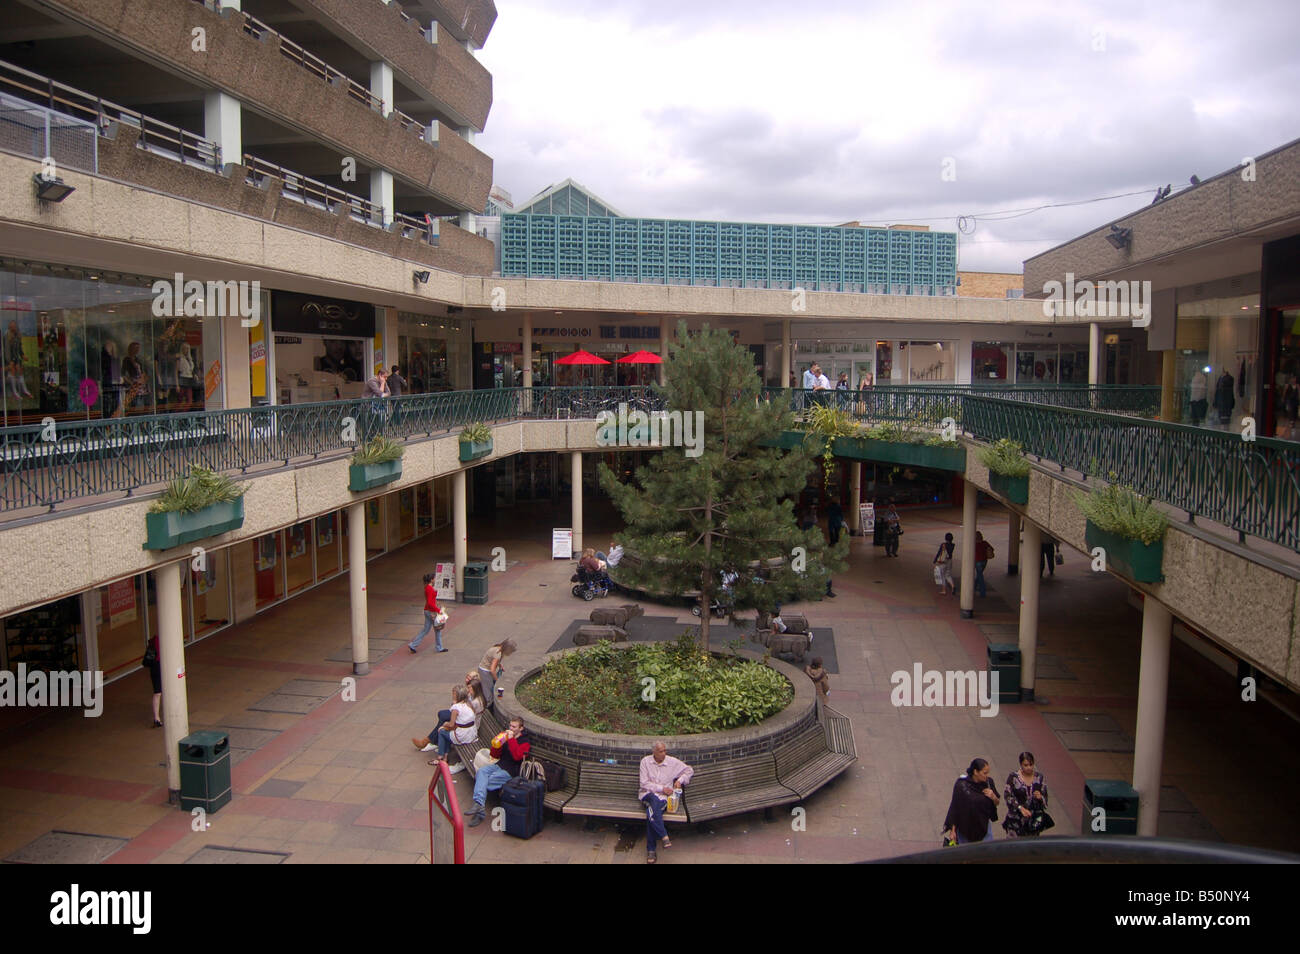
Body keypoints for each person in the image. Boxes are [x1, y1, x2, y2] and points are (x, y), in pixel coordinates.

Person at [464, 716, 531, 827]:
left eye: (514, 727)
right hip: (499, 765)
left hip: (510, 771)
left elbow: (517, 757)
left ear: (521, 728)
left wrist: (511, 740)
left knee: (485, 781)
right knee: (481, 772)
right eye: (510, 725)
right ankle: (479, 805)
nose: (511, 728)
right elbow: (494, 755)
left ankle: (479, 810)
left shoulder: (525, 742)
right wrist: (497, 744)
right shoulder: (506, 737)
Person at [639, 741, 693, 863]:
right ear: (654, 752)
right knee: (653, 800)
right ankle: (663, 835)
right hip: (647, 795)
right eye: (661, 751)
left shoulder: (672, 762)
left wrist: (680, 780)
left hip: (663, 799)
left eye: (665, 750)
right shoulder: (645, 762)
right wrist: (662, 788)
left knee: (651, 813)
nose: (664, 753)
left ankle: (652, 849)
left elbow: (689, 770)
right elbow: (644, 784)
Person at [412, 684, 477, 772]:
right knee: (446, 732)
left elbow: (451, 724)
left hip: (463, 735)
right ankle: (445, 756)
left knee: (441, 731)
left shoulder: (456, 708)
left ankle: (441, 757)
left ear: (457, 696)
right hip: (472, 732)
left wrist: (444, 724)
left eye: (454, 694)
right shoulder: (468, 704)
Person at [943, 757, 1000, 845]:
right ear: (975, 772)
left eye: (987, 773)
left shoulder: (989, 783)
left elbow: (996, 803)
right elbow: (955, 808)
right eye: (984, 773)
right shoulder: (962, 785)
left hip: (984, 826)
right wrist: (953, 831)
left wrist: (993, 797)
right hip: (965, 828)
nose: (987, 776)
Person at [1002, 752, 1050, 838]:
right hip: (1016, 820)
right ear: (1021, 765)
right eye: (1026, 765)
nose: (1029, 767)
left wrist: (1040, 797)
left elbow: (1045, 797)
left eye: (1031, 765)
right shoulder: (1013, 777)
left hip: (1033, 820)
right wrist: (1020, 808)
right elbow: (1008, 796)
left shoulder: (1039, 777)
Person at [408, 572, 446, 653]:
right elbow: (430, 603)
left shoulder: (427, 588)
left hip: (427, 610)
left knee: (425, 630)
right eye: (434, 578)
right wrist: (438, 610)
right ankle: (439, 647)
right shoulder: (430, 589)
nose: (435, 579)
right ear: (431, 580)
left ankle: (413, 644)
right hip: (431, 612)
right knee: (437, 629)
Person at [144, 635, 162, 727]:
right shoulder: (155, 641)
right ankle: (156, 718)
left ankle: (157, 718)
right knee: (158, 693)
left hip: (159, 667)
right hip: (157, 668)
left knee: (158, 693)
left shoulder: (156, 640)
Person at [934, 532, 956, 596]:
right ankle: (953, 586)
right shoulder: (953, 545)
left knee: (943, 576)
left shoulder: (943, 545)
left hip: (943, 561)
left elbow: (939, 552)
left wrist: (935, 560)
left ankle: (944, 590)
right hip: (950, 561)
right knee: (948, 575)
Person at [973, 531, 994, 598]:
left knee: (980, 577)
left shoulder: (974, 544)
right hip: (984, 561)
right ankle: (974, 586)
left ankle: (983, 592)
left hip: (977, 561)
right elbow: (992, 549)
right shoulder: (985, 543)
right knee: (980, 574)